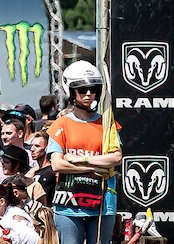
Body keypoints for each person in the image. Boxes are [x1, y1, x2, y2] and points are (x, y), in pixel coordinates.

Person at [48, 61, 121, 244]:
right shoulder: (61, 124)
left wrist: (81, 160)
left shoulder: (107, 123)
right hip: (68, 203)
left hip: (103, 202)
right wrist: (95, 168)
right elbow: (57, 164)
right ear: (71, 91)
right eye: (82, 90)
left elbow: (116, 157)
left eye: (93, 89)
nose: (88, 94)